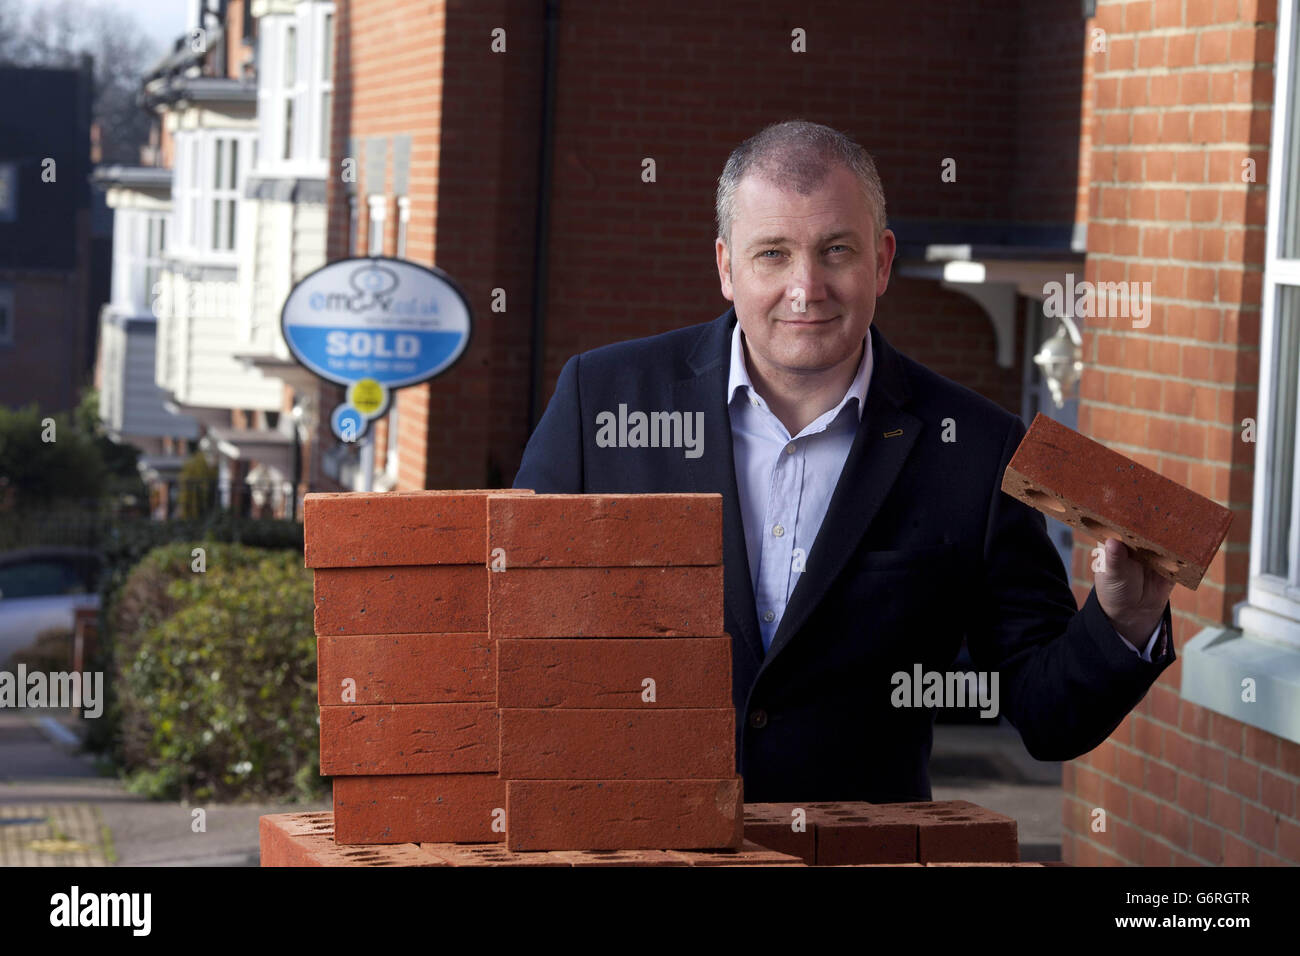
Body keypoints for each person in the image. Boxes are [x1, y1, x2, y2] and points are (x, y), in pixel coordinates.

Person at [513, 119, 1174, 802]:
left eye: (836, 251)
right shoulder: (604, 403)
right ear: (724, 266)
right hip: (633, 843)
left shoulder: (978, 448)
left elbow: (1044, 714)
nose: (807, 287)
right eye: (772, 253)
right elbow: (514, 626)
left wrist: (1121, 623)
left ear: (882, 262)